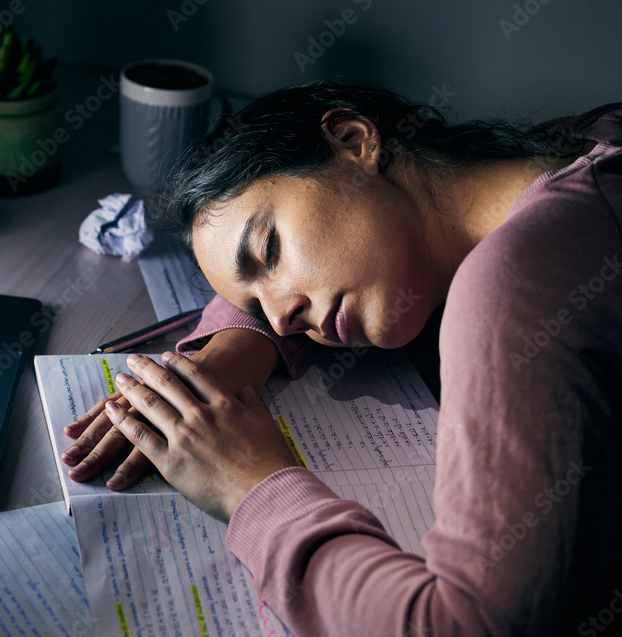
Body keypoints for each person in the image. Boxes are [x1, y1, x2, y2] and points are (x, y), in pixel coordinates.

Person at [60, 82, 622, 636]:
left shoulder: (513, 293)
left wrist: (252, 486)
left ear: (354, 140)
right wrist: (238, 343)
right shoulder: (572, 151)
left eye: (269, 250)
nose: (282, 317)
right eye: (256, 301)